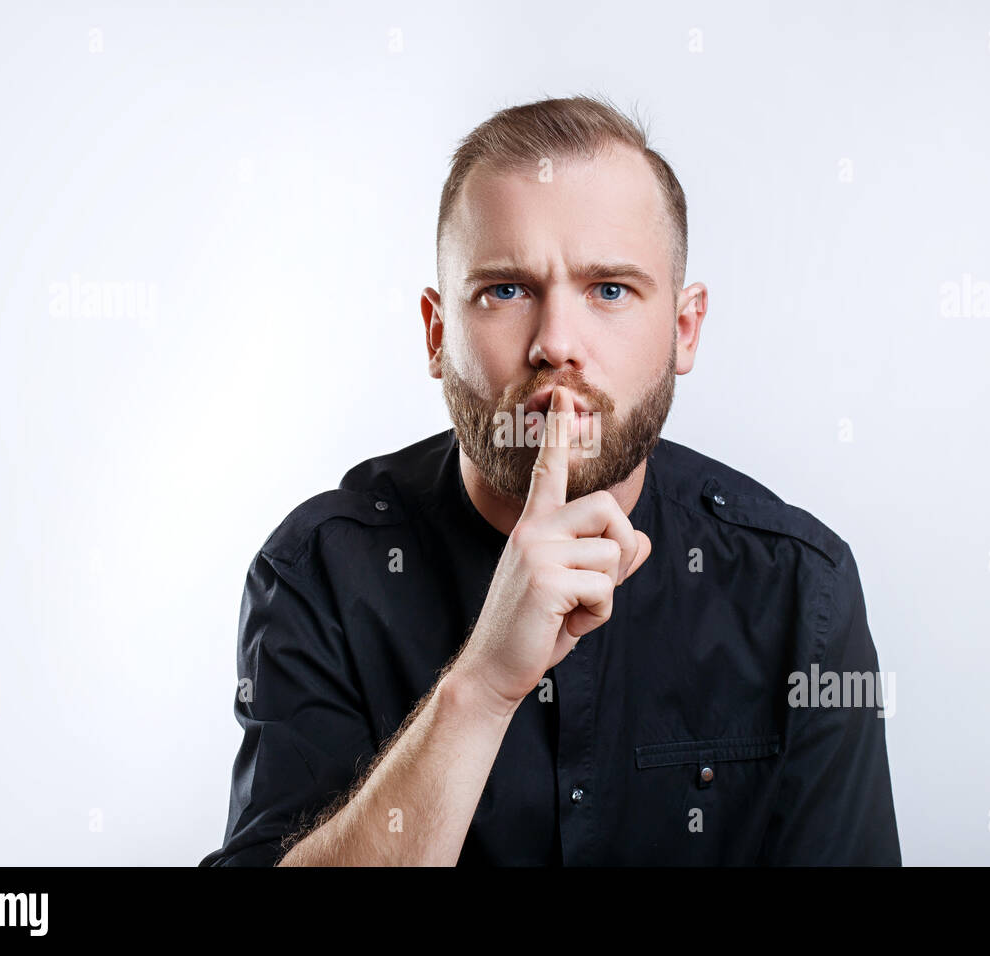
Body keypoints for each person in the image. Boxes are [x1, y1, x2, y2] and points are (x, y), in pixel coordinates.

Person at [200, 94, 901, 866]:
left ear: (684, 329)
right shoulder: (318, 574)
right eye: (506, 291)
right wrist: (484, 685)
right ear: (437, 335)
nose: (557, 344)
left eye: (610, 291)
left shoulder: (802, 589)